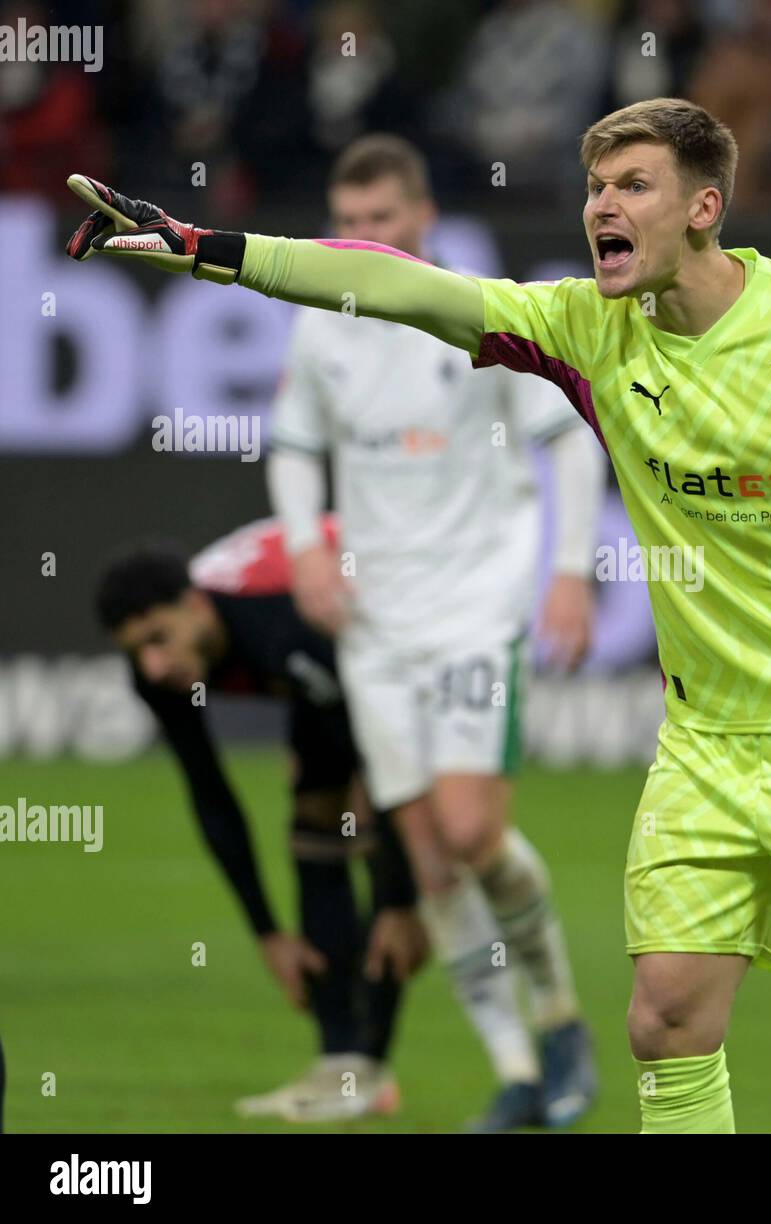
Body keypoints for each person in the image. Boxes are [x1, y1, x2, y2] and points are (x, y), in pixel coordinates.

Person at [65, 96, 771, 1134]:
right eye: (593, 188)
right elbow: (402, 284)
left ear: (703, 207)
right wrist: (203, 247)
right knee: (665, 1023)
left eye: (631, 188)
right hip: (706, 743)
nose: (599, 210)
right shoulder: (585, 331)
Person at [265, 133, 605, 1130]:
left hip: (474, 606)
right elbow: (293, 451)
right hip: (374, 620)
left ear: (422, 219)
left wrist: (571, 574)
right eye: (349, 222)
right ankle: (514, 1075)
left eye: (382, 220)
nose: (363, 239)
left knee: (468, 829)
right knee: (422, 856)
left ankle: (558, 1015)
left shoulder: (473, 309)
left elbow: (569, 442)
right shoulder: (321, 328)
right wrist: (304, 549)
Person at [96, 522, 425, 1122]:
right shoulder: (166, 670)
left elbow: (388, 750)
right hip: (335, 673)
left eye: (158, 639)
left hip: (411, 630)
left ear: (196, 605)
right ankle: (345, 1069)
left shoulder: (281, 619)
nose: (151, 665)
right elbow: (211, 795)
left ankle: (538, 1041)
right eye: (136, 650)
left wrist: (402, 899)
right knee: (317, 825)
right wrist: (267, 932)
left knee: (431, 836)